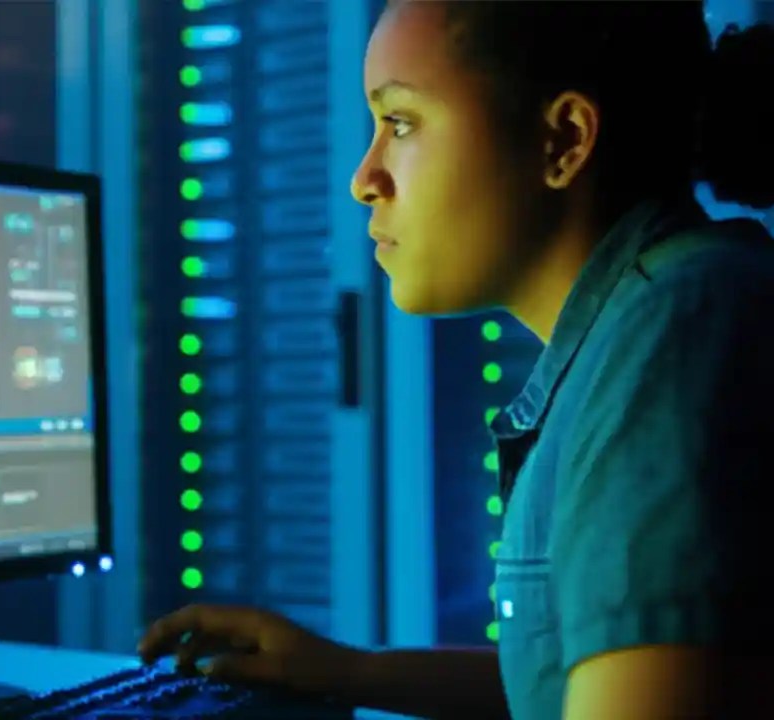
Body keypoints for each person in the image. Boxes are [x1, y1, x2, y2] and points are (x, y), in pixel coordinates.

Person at [137, 2, 774, 719]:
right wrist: (349, 672)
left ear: (564, 139)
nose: (364, 178)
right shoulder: (647, 325)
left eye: (401, 122)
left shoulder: (677, 332)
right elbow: (569, 683)